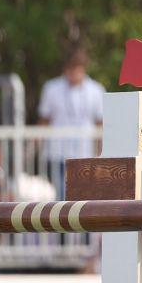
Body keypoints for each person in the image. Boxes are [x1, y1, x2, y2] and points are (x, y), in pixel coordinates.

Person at [37, 50, 105, 199]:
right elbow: (44, 119)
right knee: (62, 195)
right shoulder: (52, 88)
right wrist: (36, 147)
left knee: (82, 195)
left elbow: (99, 124)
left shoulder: (96, 90)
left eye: (77, 68)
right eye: (70, 68)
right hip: (57, 153)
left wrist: (100, 153)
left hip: (84, 153)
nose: (73, 72)